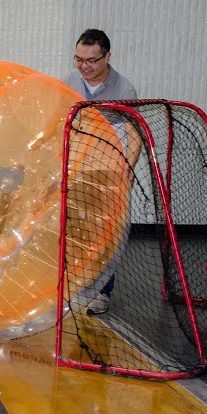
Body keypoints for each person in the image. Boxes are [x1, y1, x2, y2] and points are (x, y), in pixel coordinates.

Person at [59, 28, 138, 314]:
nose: (84, 66)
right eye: (79, 59)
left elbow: (132, 131)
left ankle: (102, 292)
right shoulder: (68, 82)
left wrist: (127, 168)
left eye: (91, 60)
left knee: (104, 233)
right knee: (75, 230)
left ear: (107, 57)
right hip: (75, 168)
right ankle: (73, 285)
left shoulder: (123, 89)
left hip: (106, 171)